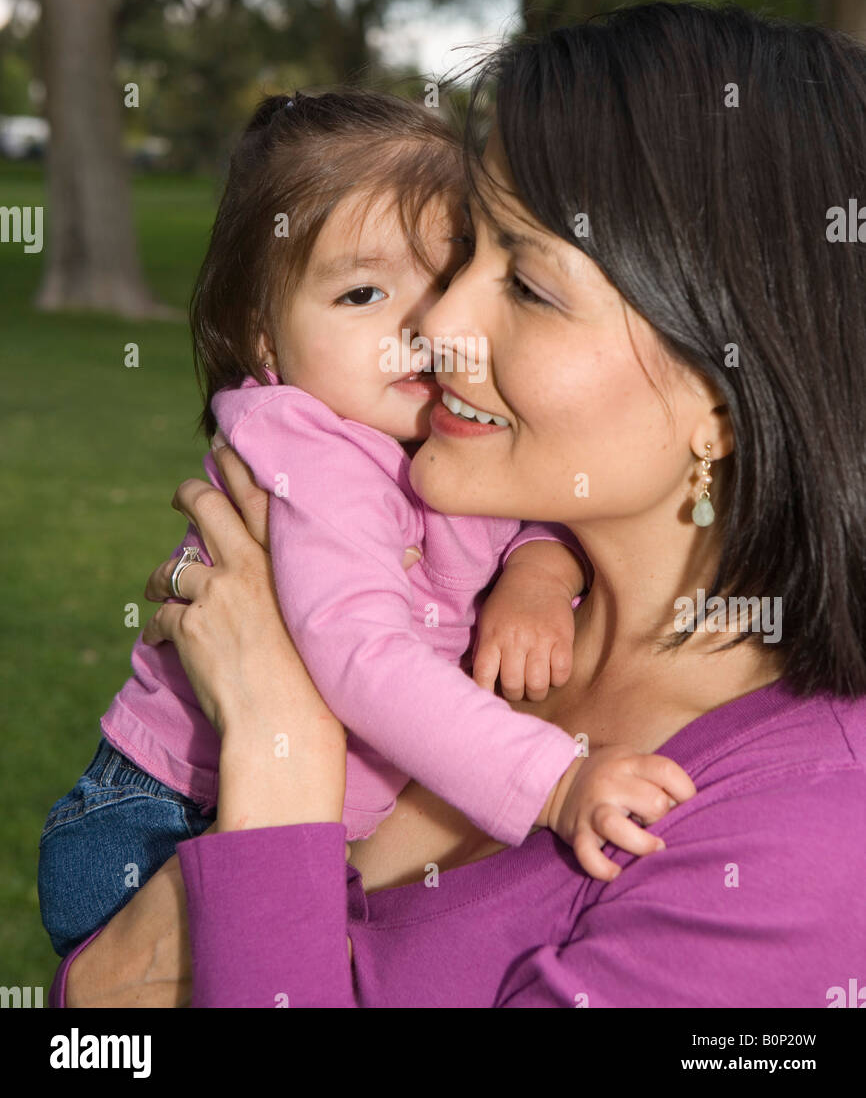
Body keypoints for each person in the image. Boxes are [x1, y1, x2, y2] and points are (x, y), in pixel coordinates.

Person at [52, 2, 866, 1008]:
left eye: (524, 284)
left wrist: (279, 749)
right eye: (463, 248)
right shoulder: (496, 600)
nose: (436, 321)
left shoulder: (804, 845)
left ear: (724, 393)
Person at [39, 88, 691, 960]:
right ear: (264, 340)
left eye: (448, 276)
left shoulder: (443, 427)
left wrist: (540, 572)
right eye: (362, 294)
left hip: (307, 811)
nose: (424, 327)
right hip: (162, 817)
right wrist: (556, 781)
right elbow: (357, 659)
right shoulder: (314, 454)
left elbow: (535, 509)